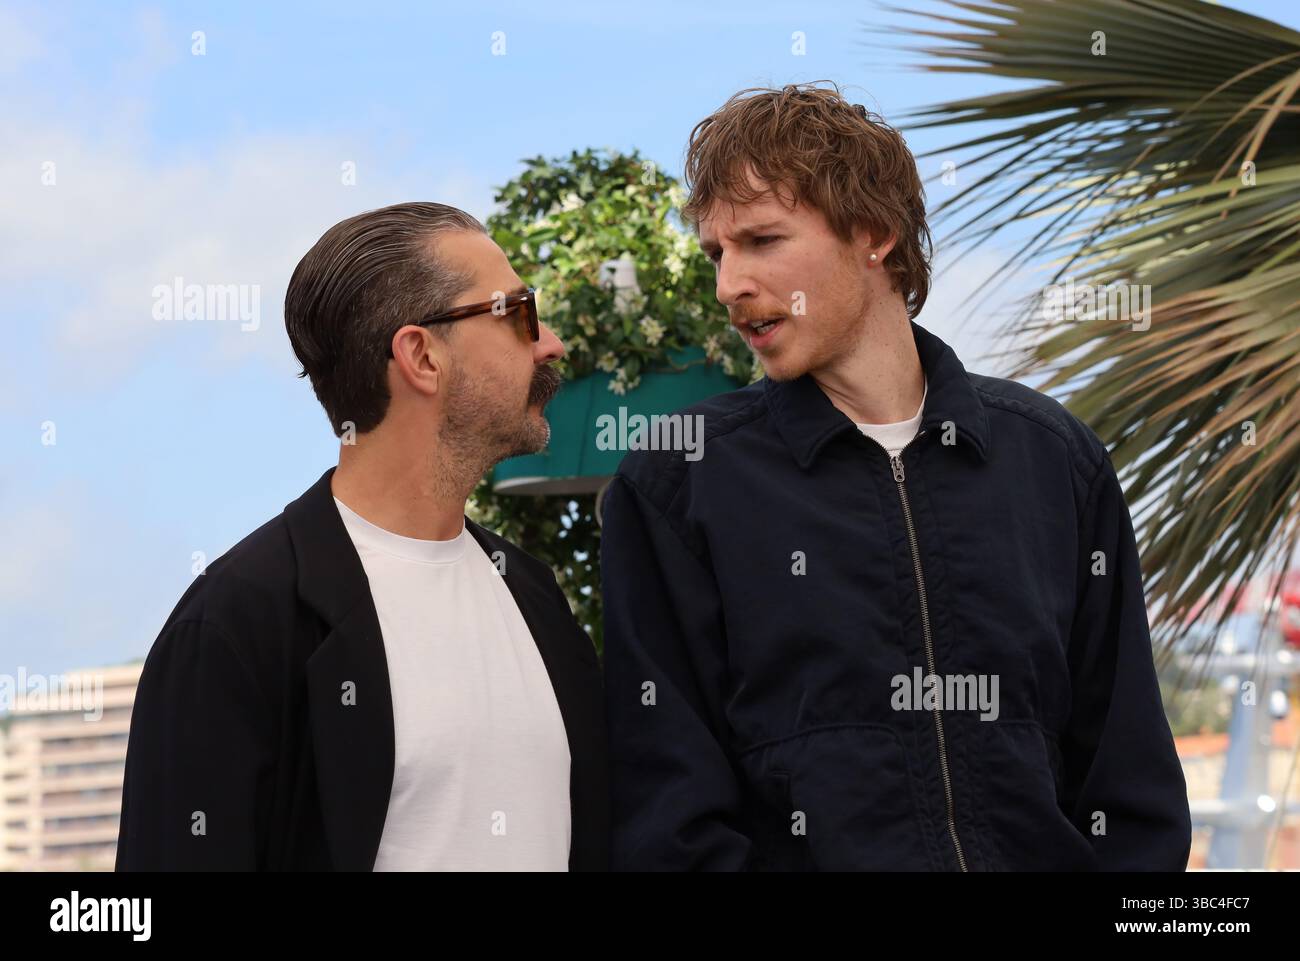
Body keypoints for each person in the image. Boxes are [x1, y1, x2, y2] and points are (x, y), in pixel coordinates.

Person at [600, 84, 1190, 871]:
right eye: (717, 253)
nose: (728, 285)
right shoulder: (680, 482)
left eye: (762, 240)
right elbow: (669, 817)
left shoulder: (1054, 460)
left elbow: (1130, 779)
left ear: (874, 233)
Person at [117, 202, 608, 871]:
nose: (549, 343)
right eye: (518, 313)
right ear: (421, 355)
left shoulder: (533, 594)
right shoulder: (238, 623)